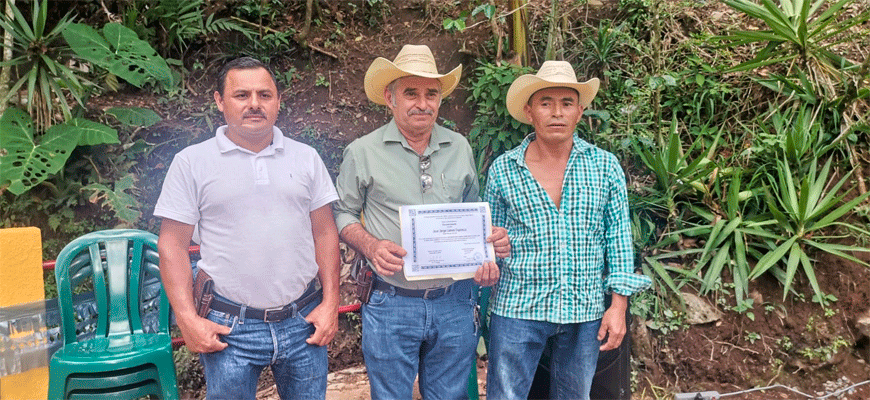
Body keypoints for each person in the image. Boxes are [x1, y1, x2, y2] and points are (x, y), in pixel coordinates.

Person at [155, 57, 340, 400]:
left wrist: (331, 302)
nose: (254, 104)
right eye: (242, 95)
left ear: (278, 101)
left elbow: (325, 233)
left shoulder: (306, 158)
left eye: (264, 94)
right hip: (230, 327)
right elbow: (172, 245)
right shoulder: (192, 162)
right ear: (219, 101)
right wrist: (186, 318)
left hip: (304, 320)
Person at [333, 44, 511, 399]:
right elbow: (342, 212)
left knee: (448, 395)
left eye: (432, 93)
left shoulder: (460, 147)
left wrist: (488, 248)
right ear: (390, 98)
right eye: (410, 93)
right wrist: (370, 245)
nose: (422, 103)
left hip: (454, 300)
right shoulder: (362, 151)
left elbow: (472, 210)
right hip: (390, 300)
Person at [483, 60, 652, 400]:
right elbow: (489, 239)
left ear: (580, 112)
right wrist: (486, 261)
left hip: (583, 310)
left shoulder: (604, 166)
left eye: (566, 103)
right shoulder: (504, 169)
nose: (556, 113)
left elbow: (618, 239)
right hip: (518, 308)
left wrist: (618, 306)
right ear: (530, 111)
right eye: (546, 103)